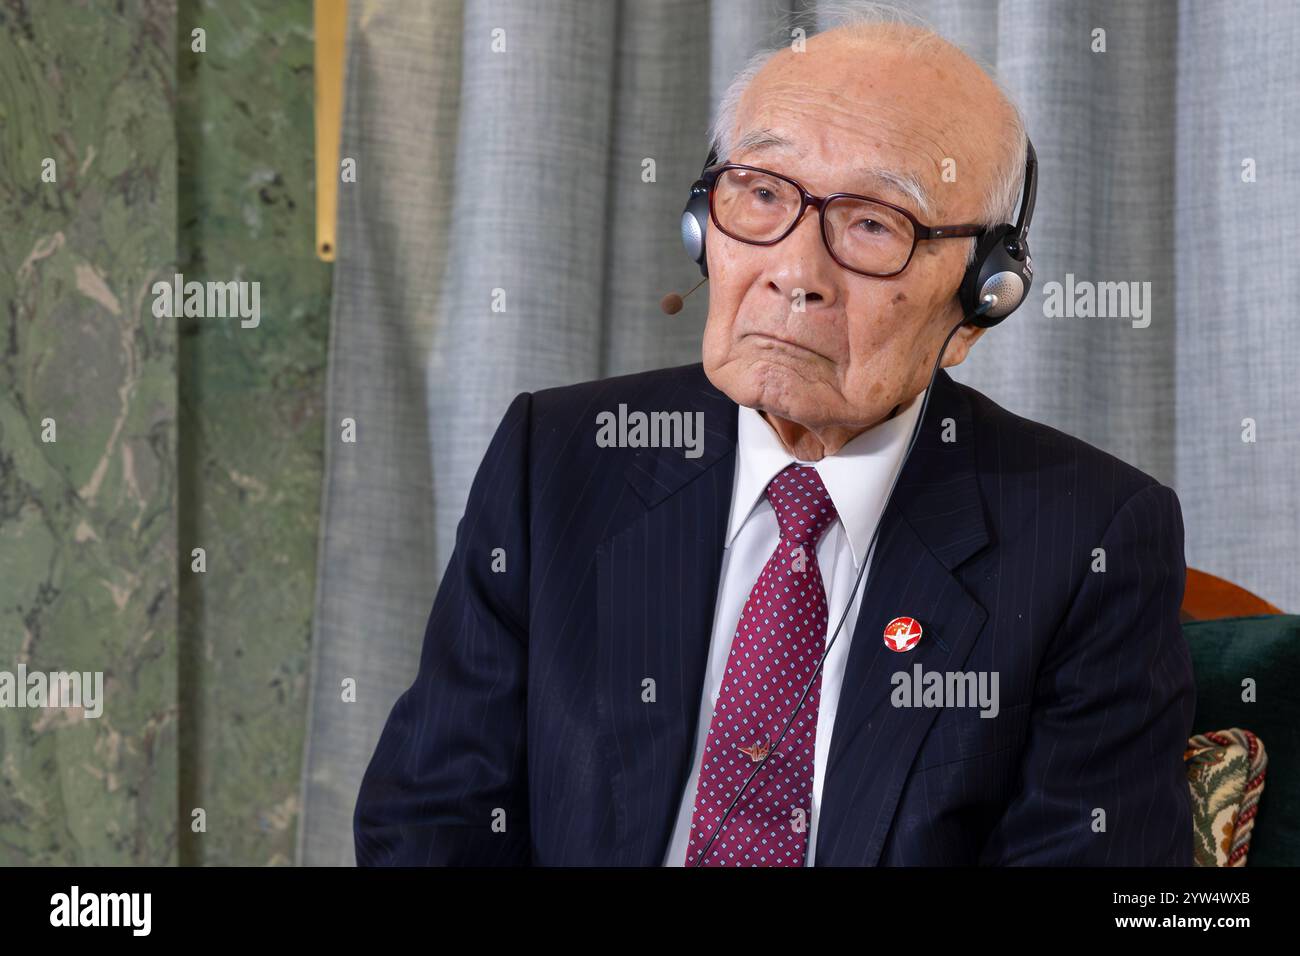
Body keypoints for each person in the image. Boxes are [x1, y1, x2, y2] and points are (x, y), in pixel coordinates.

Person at [353, 9, 1195, 867]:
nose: (795, 273)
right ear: (702, 228)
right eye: (761, 194)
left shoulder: (1089, 538)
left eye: (874, 223)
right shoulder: (561, 457)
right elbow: (429, 821)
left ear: (984, 296)